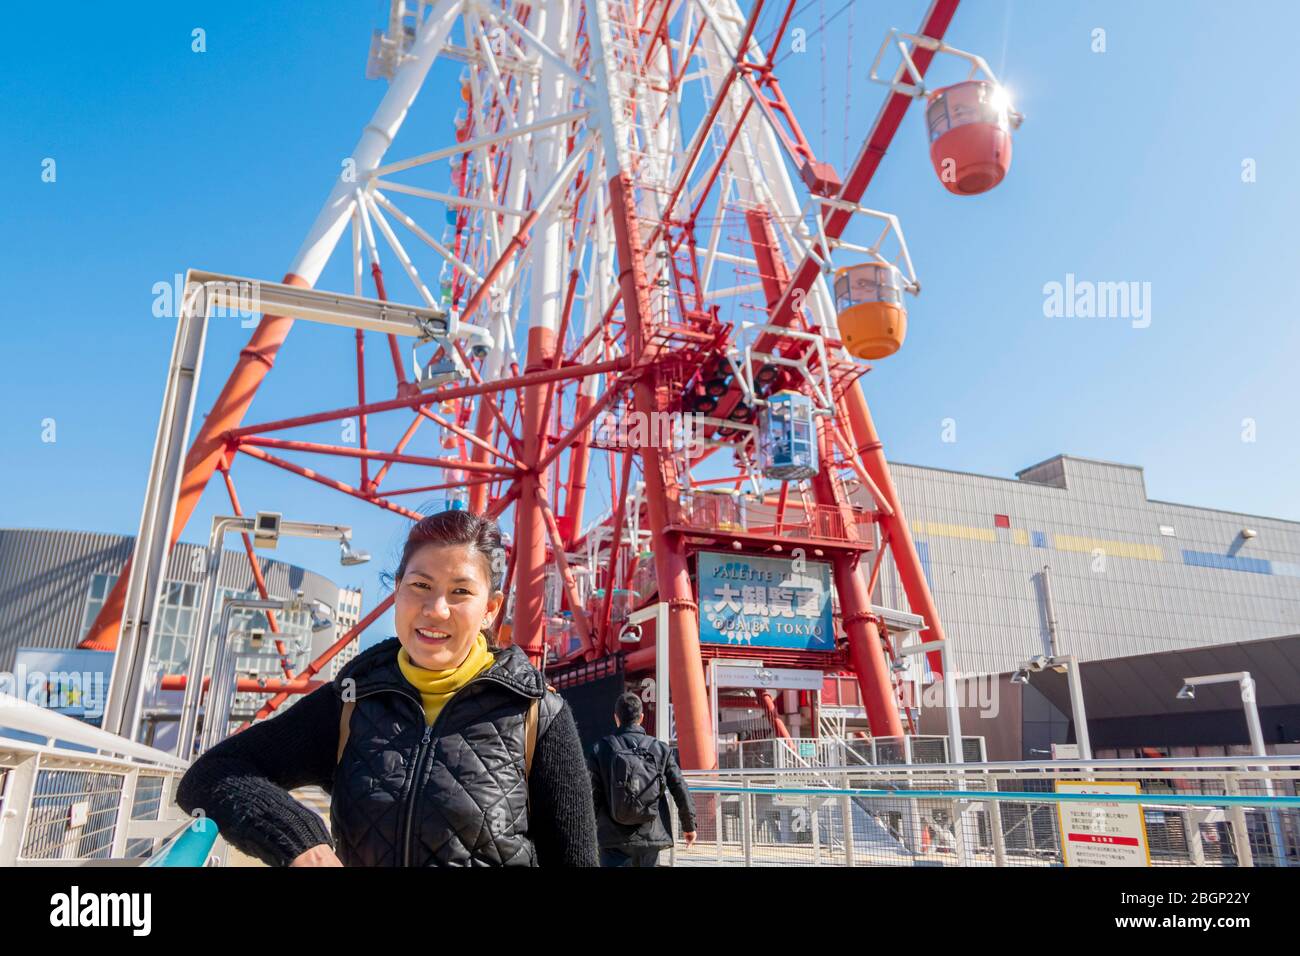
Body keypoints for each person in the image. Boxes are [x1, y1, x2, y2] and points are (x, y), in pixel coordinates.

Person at [176, 509, 598, 866]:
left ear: (490, 609)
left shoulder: (536, 715)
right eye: (420, 586)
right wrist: (300, 839)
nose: (436, 610)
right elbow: (209, 775)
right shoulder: (352, 701)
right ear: (397, 590)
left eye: (460, 592)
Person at [587, 692, 696, 867]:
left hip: (612, 839)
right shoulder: (660, 749)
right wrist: (689, 826)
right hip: (650, 836)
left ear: (616, 718)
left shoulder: (600, 749)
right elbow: (679, 786)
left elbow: (592, 795)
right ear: (642, 718)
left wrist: (586, 830)